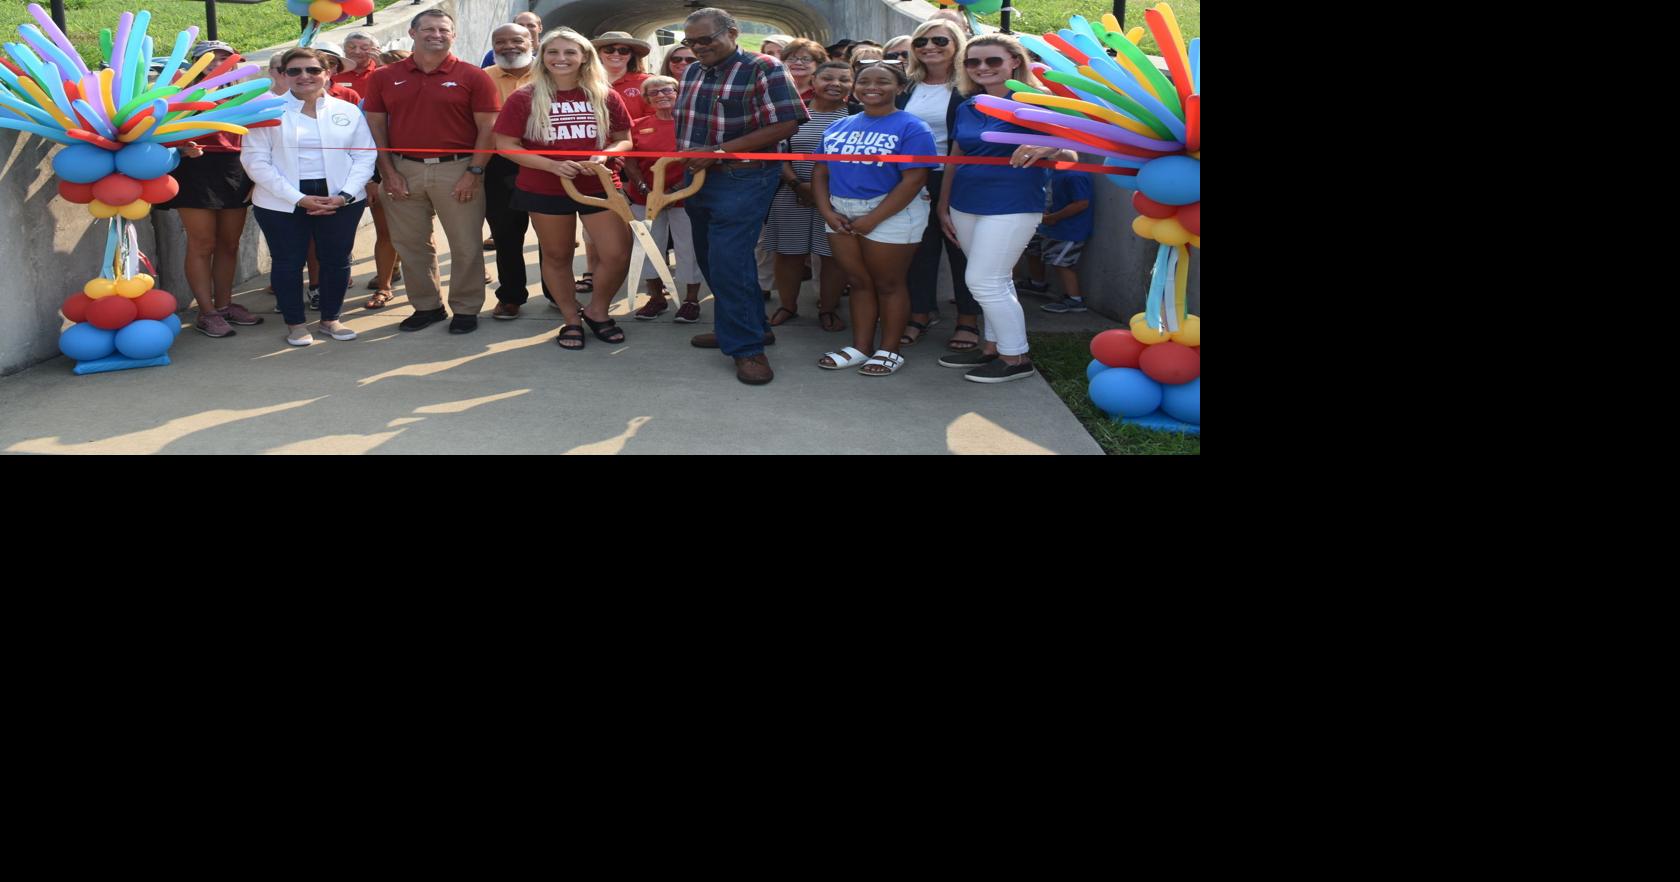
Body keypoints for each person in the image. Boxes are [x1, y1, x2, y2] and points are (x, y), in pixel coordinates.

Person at [673, 7, 808, 386]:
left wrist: (718, 154)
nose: (698, 48)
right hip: (697, 178)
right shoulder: (694, 71)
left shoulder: (764, 67)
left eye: (706, 40)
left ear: (732, 32)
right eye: (690, 42)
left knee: (728, 259)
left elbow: (787, 123)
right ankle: (746, 325)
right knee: (711, 258)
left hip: (742, 177)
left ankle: (748, 348)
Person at [935, 34, 1077, 384]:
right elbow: (956, 157)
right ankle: (991, 348)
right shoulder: (969, 105)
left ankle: (1016, 358)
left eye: (992, 61)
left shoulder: (1034, 102)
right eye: (973, 62)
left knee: (983, 281)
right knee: (995, 281)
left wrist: (1046, 147)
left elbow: (1071, 154)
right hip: (965, 202)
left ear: (1015, 61)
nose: (982, 68)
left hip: (1012, 204)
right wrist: (943, 205)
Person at [491, 27, 634, 349]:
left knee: (617, 252)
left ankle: (598, 310)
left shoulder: (605, 94)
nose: (561, 58)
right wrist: (552, 165)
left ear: (584, 57)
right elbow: (505, 145)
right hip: (544, 187)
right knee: (557, 255)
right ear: (543, 57)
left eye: (570, 52)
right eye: (553, 52)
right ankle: (570, 317)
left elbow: (624, 138)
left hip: (599, 186)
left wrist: (605, 154)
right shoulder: (525, 96)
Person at [363, 9, 501, 335]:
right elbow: (376, 126)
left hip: (457, 167)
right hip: (402, 167)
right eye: (428, 29)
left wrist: (474, 171)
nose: (436, 34)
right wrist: (387, 172)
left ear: (453, 35)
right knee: (411, 244)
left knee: (466, 245)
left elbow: (489, 129)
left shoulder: (473, 76)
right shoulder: (384, 76)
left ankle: (466, 309)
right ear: (412, 33)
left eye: (443, 29)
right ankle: (427, 306)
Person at [242, 48, 376, 346]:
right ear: (282, 75)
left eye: (313, 70)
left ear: (328, 73)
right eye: (295, 71)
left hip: (340, 200)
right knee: (288, 262)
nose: (305, 76)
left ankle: (331, 319)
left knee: (336, 260)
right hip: (280, 201)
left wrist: (344, 195)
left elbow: (365, 157)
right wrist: (298, 198)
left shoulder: (348, 111)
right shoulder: (267, 112)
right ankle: (295, 324)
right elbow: (255, 162)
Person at [811, 61, 938, 377]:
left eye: (882, 81)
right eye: (864, 81)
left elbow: (914, 180)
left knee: (889, 284)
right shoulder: (840, 125)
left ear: (900, 88)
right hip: (840, 211)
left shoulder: (912, 127)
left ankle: (889, 350)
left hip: (890, 211)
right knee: (858, 282)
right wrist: (827, 211)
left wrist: (872, 219)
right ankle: (860, 346)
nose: (871, 87)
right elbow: (820, 172)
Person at [155, 40, 262, 338]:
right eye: (210, 59)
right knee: (203, 244)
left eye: (225, 58)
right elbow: (153, 133)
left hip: (235, 169)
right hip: (195, 170)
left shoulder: (244, 94)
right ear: (196, 65)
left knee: (230, 243)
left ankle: (225, 305)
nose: (218, 64)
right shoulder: (180, 95)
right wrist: (180, 146)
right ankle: (207, 312)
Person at [897, 17, 977, 349]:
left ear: (957, 46)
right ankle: (920, 312)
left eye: (940, 41)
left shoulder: (972, 85)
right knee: (918, 248)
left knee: (961, 249)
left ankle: (968, 320)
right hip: (913, 178)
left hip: (960, 177)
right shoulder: (907, 86)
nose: (930, 47)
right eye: (921, 42)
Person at [764, 61, 852, 332]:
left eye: (844, 79)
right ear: (812, 81)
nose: (835, 84)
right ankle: (787, 306)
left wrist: (821, 192)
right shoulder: (792, 113)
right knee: (789, 253)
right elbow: (777, 152)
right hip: (794, 192)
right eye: (827, 77)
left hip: (839, 198)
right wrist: (796, 184)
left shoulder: (857, 115)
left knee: (833, 256)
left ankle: (827, 309)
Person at [481, 22, 554, 317]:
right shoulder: (481, 78)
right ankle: (510, 295)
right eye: (501, 42)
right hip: (499, 165)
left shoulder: (552, 74)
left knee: (553, 235)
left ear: (532, 42)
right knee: (506, 234)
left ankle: (557, 293)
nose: (509, 46)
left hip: (547, 162)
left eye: (517, 40)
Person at [620, 75, 705, 324]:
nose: (661, 95)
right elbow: (630, 160)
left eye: (667, 90)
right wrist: (645, 187)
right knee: (648, 248)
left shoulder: (692, 124)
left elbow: (698, 158)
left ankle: (690, 300)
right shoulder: (637, 125)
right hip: (645, 198)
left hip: (685, 196)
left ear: (678, 92)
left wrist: (674, 190)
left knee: (688, 248)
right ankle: (656, 298)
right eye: (653, 93)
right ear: (646, 99)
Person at [1024, 169, 1094, 313]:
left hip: (1068, 230)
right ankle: (1037, 283)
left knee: (1061, 263)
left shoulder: (1076, 175)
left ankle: (1075, 300)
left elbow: (1081, 203)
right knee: (1032, 250)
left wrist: (1054, 217)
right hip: (1047, 227)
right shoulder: (1051, 172)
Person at [334, 32, 381, 98]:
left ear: (376, 50)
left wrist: (381, 68)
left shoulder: (383, 71)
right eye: (351, 47)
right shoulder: (334, 70)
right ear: (344, 49)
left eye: (364, 48)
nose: (357, 51)